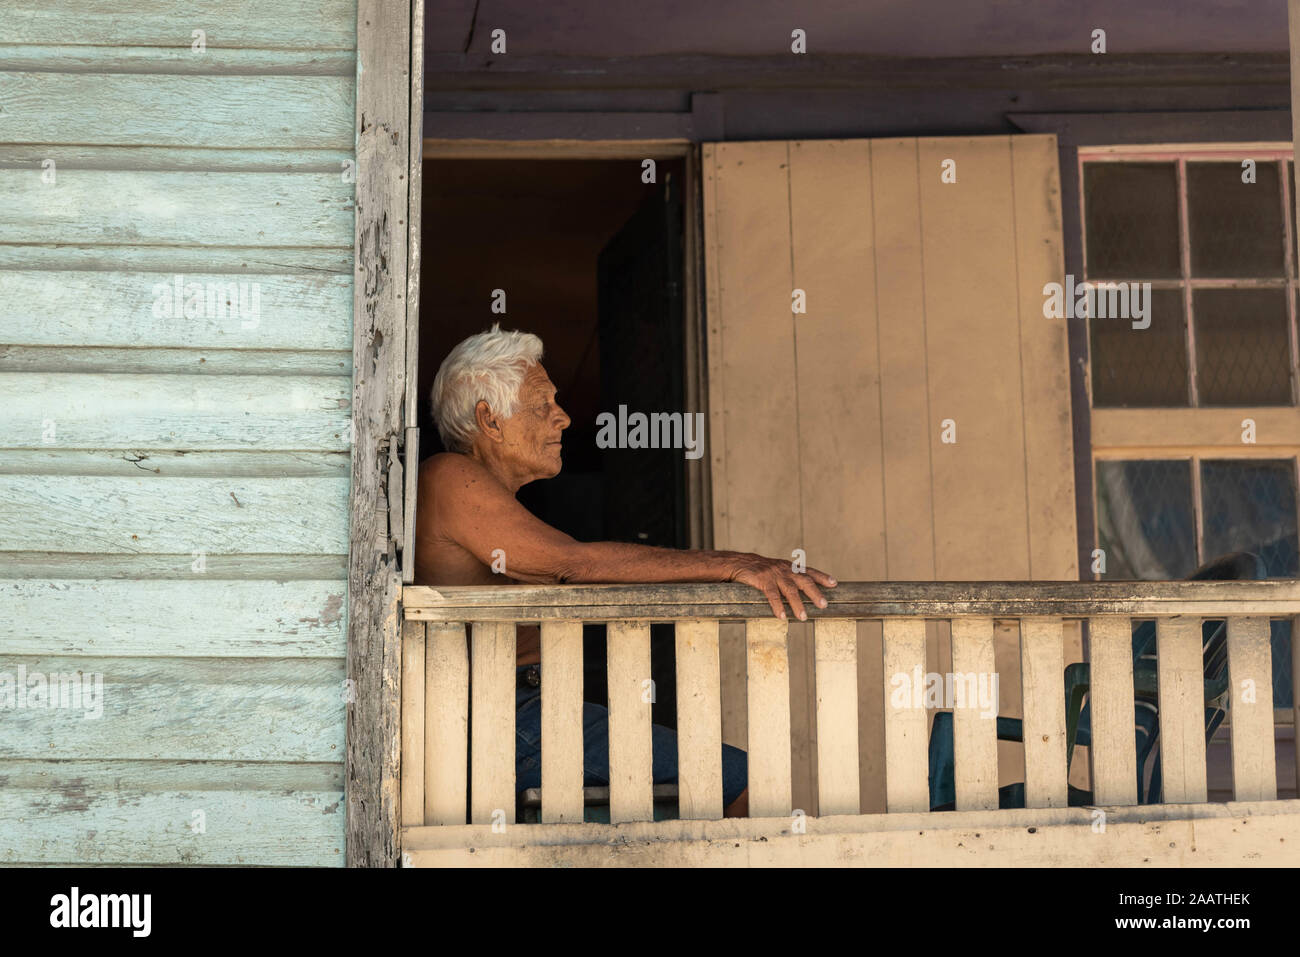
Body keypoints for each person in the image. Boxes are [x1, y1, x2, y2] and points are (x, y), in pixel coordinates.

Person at [415, 323, 837, 817]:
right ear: (489, 420)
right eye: (543, 403)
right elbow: (567, 565)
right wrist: (733, 566)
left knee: (731, 786)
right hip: (506, 718)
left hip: (520, 713)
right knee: (744, 784)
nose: (564, 418)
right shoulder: (450, 474)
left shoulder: (482, 494)